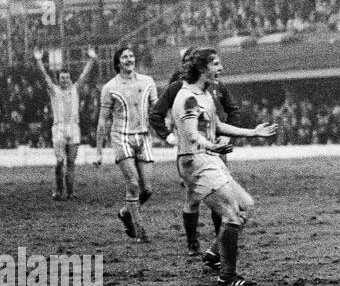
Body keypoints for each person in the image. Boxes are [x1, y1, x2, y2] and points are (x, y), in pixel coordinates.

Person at [171, 49, 278, 286]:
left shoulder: (205, 95)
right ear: (202, 68)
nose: (222, 68)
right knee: (232, 215)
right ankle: (227, 275)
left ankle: (214, 253)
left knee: (242, 208)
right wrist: (212, 147)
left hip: (208, 158)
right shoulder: (187, 97)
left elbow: (217, 125)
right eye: (217, 64)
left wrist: (253, 132)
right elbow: (191, 135)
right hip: (195, 160)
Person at [149, 47, 247, 257]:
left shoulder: (217, 87)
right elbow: (156, 114)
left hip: (216, 149)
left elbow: (232, 111)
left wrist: (227, 137)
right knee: (195, 198)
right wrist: (170, 137)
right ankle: (194, 243)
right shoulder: (178, 89)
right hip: (193, 153)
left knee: (223, 200)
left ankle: (219, 242)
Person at [95, 47, 158, 241]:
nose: (129, 59)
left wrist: (169, 128)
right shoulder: (110, 87)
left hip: (144, 136)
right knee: (132, 183)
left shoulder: (148, 82)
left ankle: (125, 213)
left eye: (131, 56)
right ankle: (139, 231)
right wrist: (99, 151)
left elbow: (157, 109)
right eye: (124, 57)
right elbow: (103, 120)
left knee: (147, 190)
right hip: (121, 137)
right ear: (118, 62)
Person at [33, 47, 97, 201]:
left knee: (71, 162)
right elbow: (44, 76)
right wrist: (38, 60)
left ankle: (70, 192)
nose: (65, 80)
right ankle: (58, 190)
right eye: (62, 78)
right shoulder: (54, 91)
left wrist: (92, 59)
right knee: (60, 161)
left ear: (70, 79)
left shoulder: (75, 89)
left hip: (74, 128)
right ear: (59, 79)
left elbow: (85, 74)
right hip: (59, 129)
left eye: (67, 78)